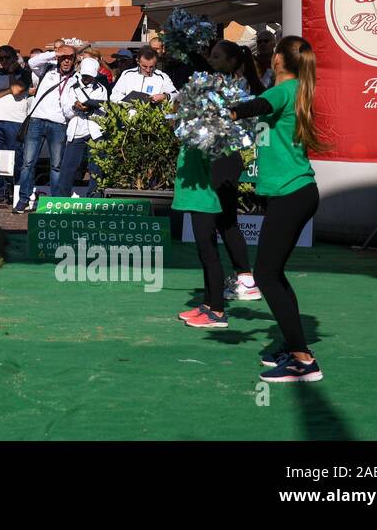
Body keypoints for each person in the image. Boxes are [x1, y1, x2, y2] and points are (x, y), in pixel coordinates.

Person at [229, 36, 324, 383]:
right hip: (295, 192)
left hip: (292, 193)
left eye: (273, 54)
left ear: (280, 60)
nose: (269, 58)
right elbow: (262, 95)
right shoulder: (290, 88)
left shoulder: (284, 91)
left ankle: (303, 360)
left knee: (266, 275)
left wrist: (227, 111)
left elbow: (254, 106)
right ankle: (294, 346)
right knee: (274, 274)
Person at [176, 41, 265, 330]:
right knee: (214, 236)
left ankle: (220, 306)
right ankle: (213, 300)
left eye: (216, 56)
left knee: (214, 237)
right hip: (206, 173)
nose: (210, 61)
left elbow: (234, 130)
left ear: (231, 61)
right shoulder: (212, 89)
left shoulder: (235, 91)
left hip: (216, 172)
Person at [12, 43, 76, 212]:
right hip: (37, 121)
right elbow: (33, 63)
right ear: (58, 58)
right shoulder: (48, 69)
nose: (66, 62)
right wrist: (55, 53)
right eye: (63, 58)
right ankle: (23, 199)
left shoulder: (76, 77)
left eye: (70, 58)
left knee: (56, 165)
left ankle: (55, 202)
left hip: (59, 124)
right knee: (28, 163)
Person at [0, 45, 33, 205]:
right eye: (0, 58)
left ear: (14, 58)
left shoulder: (24, 73)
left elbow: (17, 90)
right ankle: (0, 191)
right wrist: (7, 90)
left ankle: (16, 190)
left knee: (16, 158)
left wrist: (10, 76)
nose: (3, 62)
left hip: (15, 121)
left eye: (6, 58)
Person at [54, 57, 110, 197]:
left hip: (95, 132)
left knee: (96, 168)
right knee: (68, 167)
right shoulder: (71, 86)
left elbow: (103, 111)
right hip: (76, 131)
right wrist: (75, 107)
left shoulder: (101, 89)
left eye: (90, 77)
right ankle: (61, 197)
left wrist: (89, 109)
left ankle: (95, 198)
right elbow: (66, 110)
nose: (87, 79)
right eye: (85, 76)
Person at [109, 47, 176, 103]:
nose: (148, 70)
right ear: (137, 61)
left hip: (152, 117)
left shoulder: (162, 77)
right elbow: (114, 96)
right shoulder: (127, 74)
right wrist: (130, 102)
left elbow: (176, 95)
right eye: (144, 66)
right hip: (129, 117)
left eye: (151, 67)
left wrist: (165, 97)